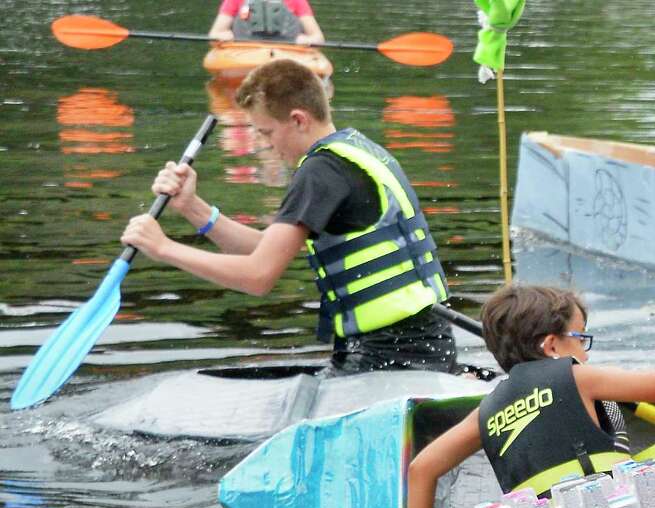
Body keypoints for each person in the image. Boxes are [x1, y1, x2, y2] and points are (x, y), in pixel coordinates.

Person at [120, 58, 456, 374]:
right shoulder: (354, 148)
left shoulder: (320, 171)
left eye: (265, 132)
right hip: (423, 343)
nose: (264, 145)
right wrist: (193, 208)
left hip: (392, 357)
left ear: (298, 119)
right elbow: (265, 250)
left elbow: (258, 276)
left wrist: (163, 248)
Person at [408, 285, 655, 508]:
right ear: (552, 345)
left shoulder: (486, 410)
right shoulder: (579, 377)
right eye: (580, 338)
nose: (584, 351)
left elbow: (422, 467)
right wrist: (601, 376)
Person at [209, 0, 325, 45]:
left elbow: (318, 38)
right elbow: (214, 34)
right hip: (245, 52)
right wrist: (225, 36)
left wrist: (305, 40)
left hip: (287, 51)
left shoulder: (297, 1)